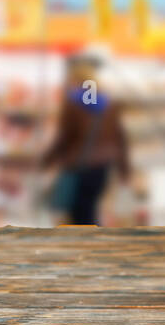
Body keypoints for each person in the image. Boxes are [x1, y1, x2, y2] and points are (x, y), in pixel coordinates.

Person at [40, 56, 131, 226]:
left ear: (76, 80)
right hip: (102, 167)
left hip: (80, 166)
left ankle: (91, 248)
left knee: (80, 215)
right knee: (89, 209)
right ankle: (94, 245)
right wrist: (124, 171)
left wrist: (46, 161)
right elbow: (121, 139)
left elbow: (64, 138)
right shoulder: (108, 104)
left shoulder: (73, 103)